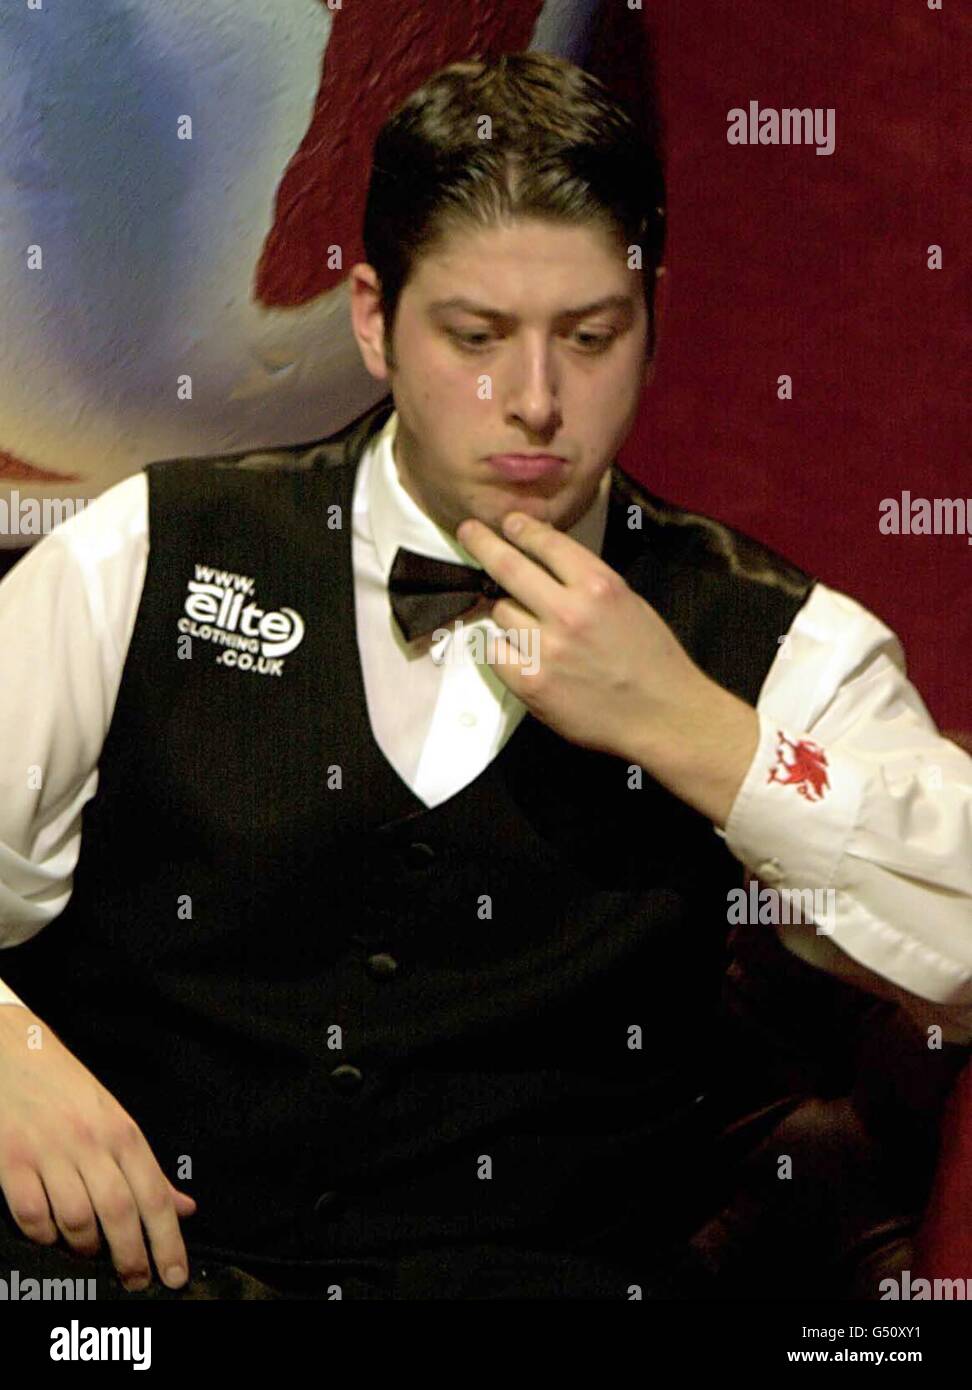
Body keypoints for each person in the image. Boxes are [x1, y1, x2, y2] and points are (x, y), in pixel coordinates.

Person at [0, 52, 969, 1302]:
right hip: (129, 1288)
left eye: (590, 336)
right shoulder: (151, 548)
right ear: (371, 319)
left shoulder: (777, 639)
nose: (534, 401)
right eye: (475, 337)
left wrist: (696, 733)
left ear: (653, 319)